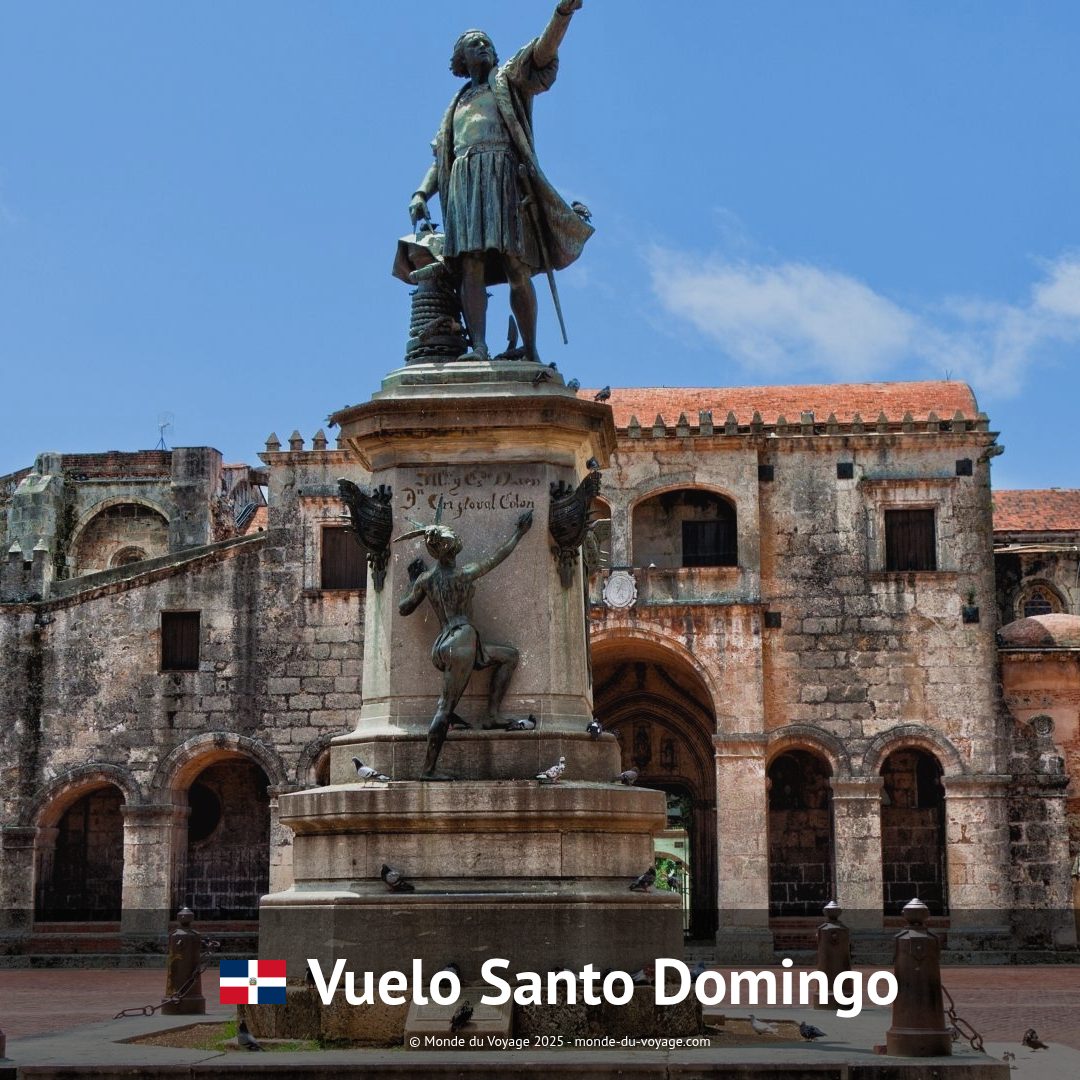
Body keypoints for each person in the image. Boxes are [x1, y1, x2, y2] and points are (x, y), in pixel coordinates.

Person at [408, 1, 592, 364]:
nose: (485, 46)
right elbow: (440, 157)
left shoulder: (507, 80)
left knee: (516, 266)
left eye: (487, 42)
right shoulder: (457, 104)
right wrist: (420, 193)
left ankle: (531, 350)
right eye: (475, 43)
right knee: (470, 265)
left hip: (503, 175)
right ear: (462, 59)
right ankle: (478, 347)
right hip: (463, 180)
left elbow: (541, 51)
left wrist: (562, 14)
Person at [397, 511, 533, 778]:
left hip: (447, 642)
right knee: (445, 708)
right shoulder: (463, 574)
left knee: (509, 656)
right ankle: (428, 770)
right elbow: (496, 557)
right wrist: (518, 533)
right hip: (462, 639)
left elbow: (404, 608)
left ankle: (492, 714)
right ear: (451, 549)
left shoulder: (427, 580)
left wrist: (415, 582)